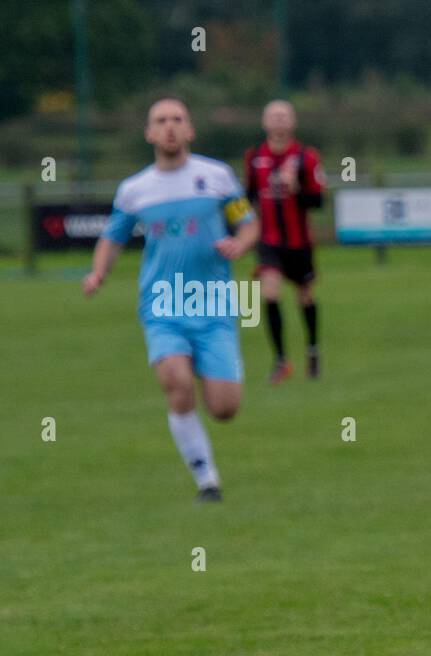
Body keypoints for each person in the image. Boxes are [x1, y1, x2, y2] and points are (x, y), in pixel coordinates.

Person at [83, 97, 258, 502]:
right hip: (163, 303)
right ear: (149, 133)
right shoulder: (134, 190)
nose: (169, 127)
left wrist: (240, 243)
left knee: (225, 408)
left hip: (215, 303)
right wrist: (98, 273)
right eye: (161, 121)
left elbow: (248, 224)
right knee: (176, 384)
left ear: (190, 129)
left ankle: (206, 366)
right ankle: (207, 480)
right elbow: (112, 238)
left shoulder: (218, 177)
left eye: (177, 119)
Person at [245, 99, 326, 383]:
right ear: (265, 122)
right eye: (273, 116)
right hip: (269, 242)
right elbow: (247, 199)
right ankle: (281, 360)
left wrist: (297, 188)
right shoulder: (254, 157)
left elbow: (318, 201)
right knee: (269, 293)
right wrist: (240, 229)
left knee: (305, 296)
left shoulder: (307, 157)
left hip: (299, 243)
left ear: (292, 122)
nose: (279, 121)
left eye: (284, 116)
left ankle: (313, 349)